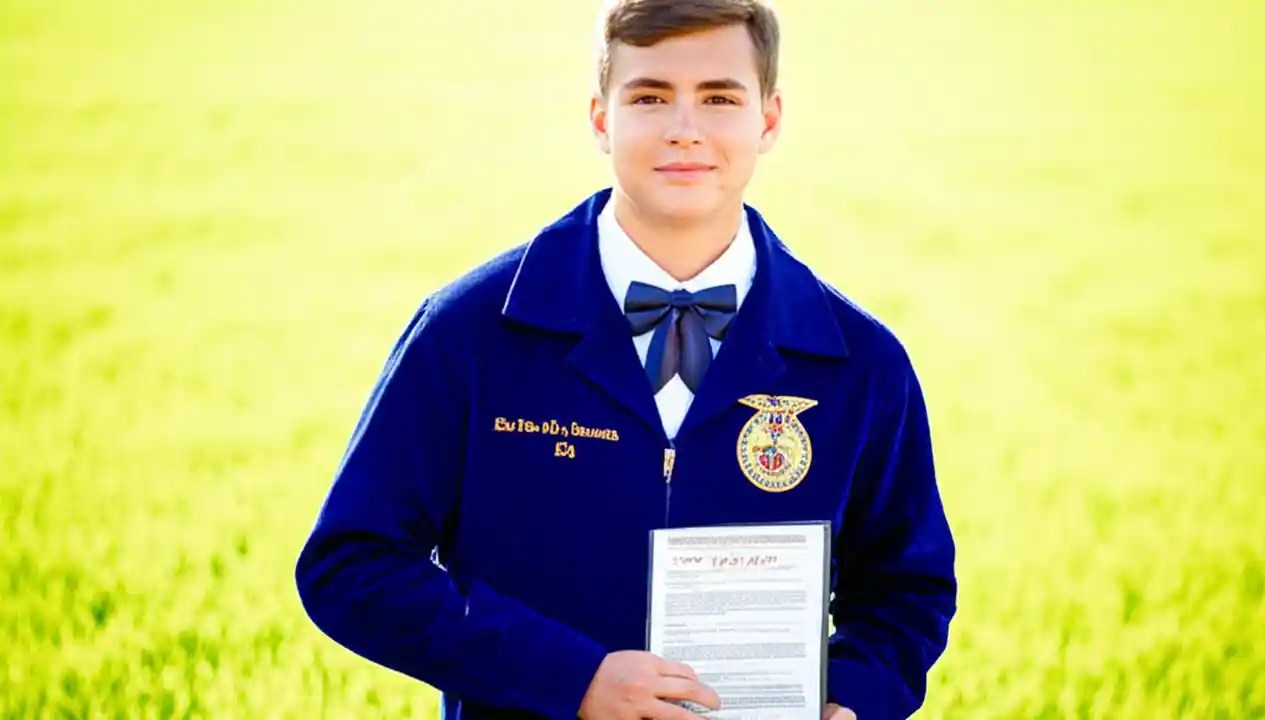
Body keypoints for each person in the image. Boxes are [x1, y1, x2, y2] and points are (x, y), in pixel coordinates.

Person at [294, 1, 957, 718]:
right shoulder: (470, 334)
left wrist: (855, 698)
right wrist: (568, 677)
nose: (684, 129)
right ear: (600, 118)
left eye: (719, 98)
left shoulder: (861, 364)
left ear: (768, 119)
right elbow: (352, 564)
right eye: (649, 96)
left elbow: (906, 589)